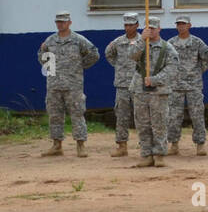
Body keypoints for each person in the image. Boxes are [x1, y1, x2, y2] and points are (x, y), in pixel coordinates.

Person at [36, 10, 99, 157]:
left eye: (63, 21)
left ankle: (80, 145)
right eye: (58, 21)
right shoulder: (50, 41)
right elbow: (42, 58)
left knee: (77, 114)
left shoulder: (78, 40)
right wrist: (49, 65)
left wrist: (79, 66)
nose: (60, 24)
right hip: (54, 85)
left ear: (69, 22)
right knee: (55, 115)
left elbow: (94, 54)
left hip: (73, 85)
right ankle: (57, 145)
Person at [126, 16, 179, 167]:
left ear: (159, 29)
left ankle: (159, 154)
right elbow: (131, 55)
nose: (151, 31)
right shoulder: (140, 44)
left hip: (159, 91)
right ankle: (146, 154)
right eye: (148, 28)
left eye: (154, 28)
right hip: (139, 90)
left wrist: (155, 79)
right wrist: (142, 40)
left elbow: (172, 69)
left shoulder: (167, 48)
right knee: (142, 124)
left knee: (159, 124)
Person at [166, 15, 208, 155]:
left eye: (183, 24)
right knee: (174, 116)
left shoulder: (197, 42)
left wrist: (197, 72)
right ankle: (174, 144)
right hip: (175, 85)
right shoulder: (170, 43)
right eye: (179, 24)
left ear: (189, 26)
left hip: (194, 85)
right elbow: (165, 62)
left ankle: (200, 145)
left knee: (197, 115)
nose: (181, 26)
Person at [103, 13, 141, 157]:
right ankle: (122, 146)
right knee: (121, 115)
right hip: (122, 84)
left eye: (131, 25)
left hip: (139, 84)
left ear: (137, 25)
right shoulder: (118, 42)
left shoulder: (143, 41)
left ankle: (144, 145)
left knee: (142, 116)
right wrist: (119, 67)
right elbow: (109, 54)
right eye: (126, 25)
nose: (128, 27)